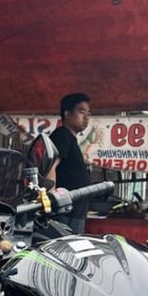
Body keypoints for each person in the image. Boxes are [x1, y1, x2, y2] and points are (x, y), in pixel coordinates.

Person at [48, 92, 92, 233]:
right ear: (67, 114)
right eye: (82, 112)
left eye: (88, 113)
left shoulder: (70, 139)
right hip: (64, 213)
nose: (86, 117)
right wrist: (51, 198)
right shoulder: (62, 135)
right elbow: (51, 166)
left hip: (73, 212)